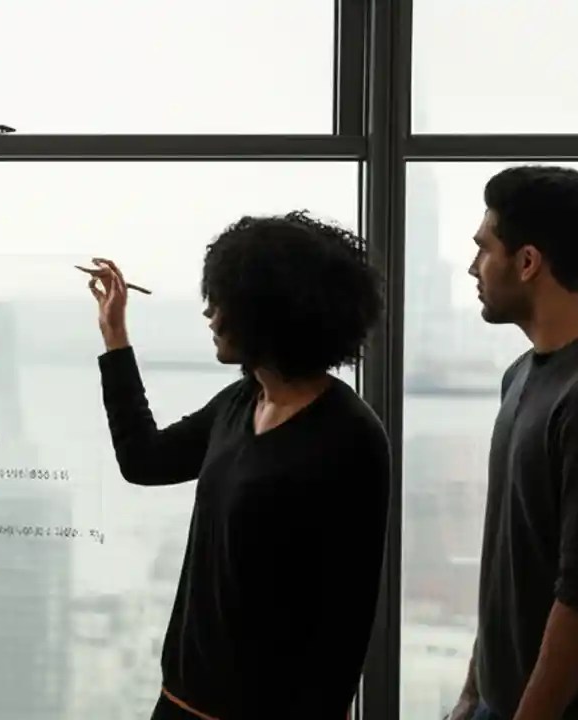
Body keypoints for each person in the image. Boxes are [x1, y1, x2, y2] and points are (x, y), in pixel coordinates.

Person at [85, 211, 390, 720]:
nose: (210, 313)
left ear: (267, 313)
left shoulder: (349, 437)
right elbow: (144, 460)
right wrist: (115, 336)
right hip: (180, 700)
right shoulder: (239, 402)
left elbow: (346, 617)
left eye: (222, 300)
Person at [445, 166, 578, 720]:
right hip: (498, 701)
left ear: (527, 262)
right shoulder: (521, 375)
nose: (472, 266)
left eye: (484, 248)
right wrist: (473, 690)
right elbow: (513, 562)